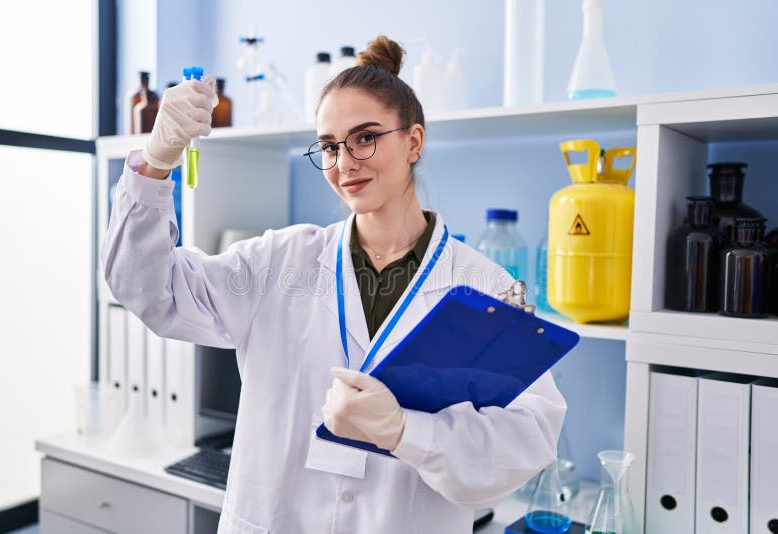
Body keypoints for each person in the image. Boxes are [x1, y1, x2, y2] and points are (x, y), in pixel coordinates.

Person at [103, 35, 566, 534]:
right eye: (328, 146)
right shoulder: (280, 261)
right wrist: (156, 161)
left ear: (414, 141)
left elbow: (530, 436)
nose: (344, 162)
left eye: (365, 137)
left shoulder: (485, 285)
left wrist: (409, 431)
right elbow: (148, 287)